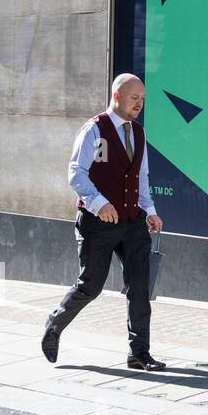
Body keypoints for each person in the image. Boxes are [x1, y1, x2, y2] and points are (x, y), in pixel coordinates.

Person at [42, 73, 166, 370]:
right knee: (91, 285)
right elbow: (76, 173)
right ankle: (54, 324)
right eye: (134, 98)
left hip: (132, 219)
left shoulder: (138, 132)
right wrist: (100, 203)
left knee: (140, 284)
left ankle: (139, 353)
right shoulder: (94, 130)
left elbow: (141, 177)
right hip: (98, 221)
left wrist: (149, 210)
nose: (139, 104)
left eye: (143, 99)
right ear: (117, 97)